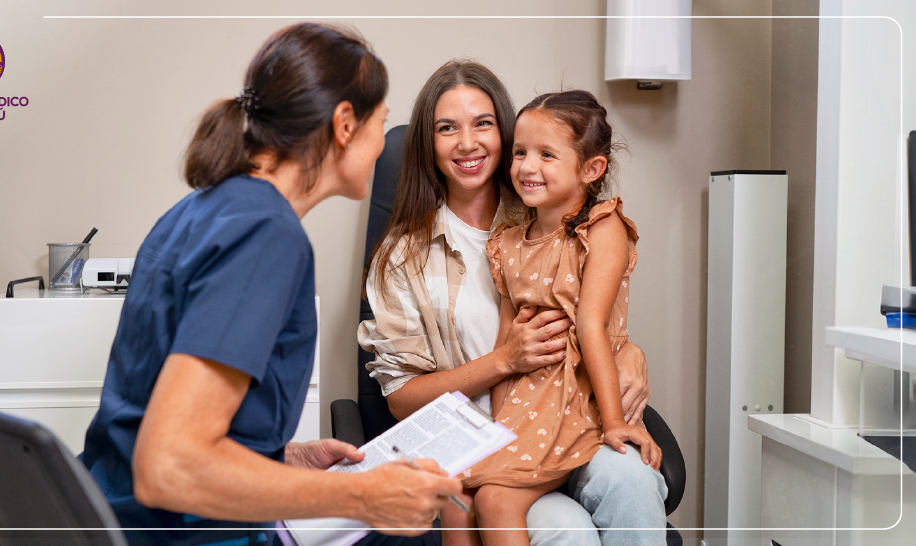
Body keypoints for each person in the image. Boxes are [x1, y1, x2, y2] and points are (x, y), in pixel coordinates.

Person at [80, 23, 460, 546]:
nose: (381, 149)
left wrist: (282, 457)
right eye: (381, 125)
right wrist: (362, 496)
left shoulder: (205, 209)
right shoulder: (267, 236)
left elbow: (167, 416)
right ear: (345, 123)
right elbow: (167, 466)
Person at [359, 61, 659, 546]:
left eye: (482, 124)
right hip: (491, 434)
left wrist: (631, 352)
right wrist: (503, 361)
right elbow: (399, 399)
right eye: (446, 128)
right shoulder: (403, 257)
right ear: (427, 145)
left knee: (632, 480)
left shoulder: (549, 209)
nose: (467, 143)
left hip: (573, 414)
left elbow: (596, 319)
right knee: (569, 533)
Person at [441, 90, 668, 546]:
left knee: (496, 500)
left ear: (591, 169)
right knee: (468, 498)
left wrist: (614, 422)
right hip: (527, 408)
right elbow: (507, 344)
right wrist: (502, 425)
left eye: (546, 154)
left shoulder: (602, 229)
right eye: (521, 152)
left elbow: (592, 329)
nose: (527, 166)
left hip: (578, 403)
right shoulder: (506, 245)